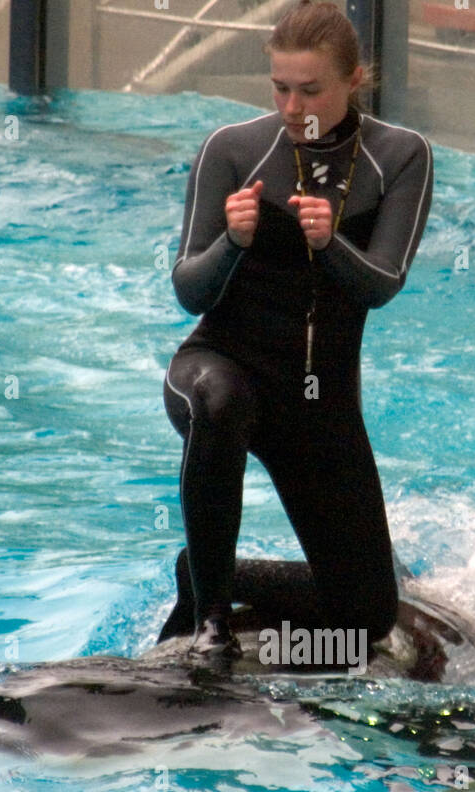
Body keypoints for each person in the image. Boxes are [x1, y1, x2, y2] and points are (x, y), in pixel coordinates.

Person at [160, 0, 433, 660]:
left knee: (365, 615)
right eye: (280, 88)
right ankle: (212, 623)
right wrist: (232, 240)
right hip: (217, 367)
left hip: (317, 401)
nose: (292, 105)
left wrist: (331, 243)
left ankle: (200, 570)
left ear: (352, 81)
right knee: (222, 403)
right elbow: (187, 289)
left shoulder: (398, 158)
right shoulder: (234, 150)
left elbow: (383, 283)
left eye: (310, 90)